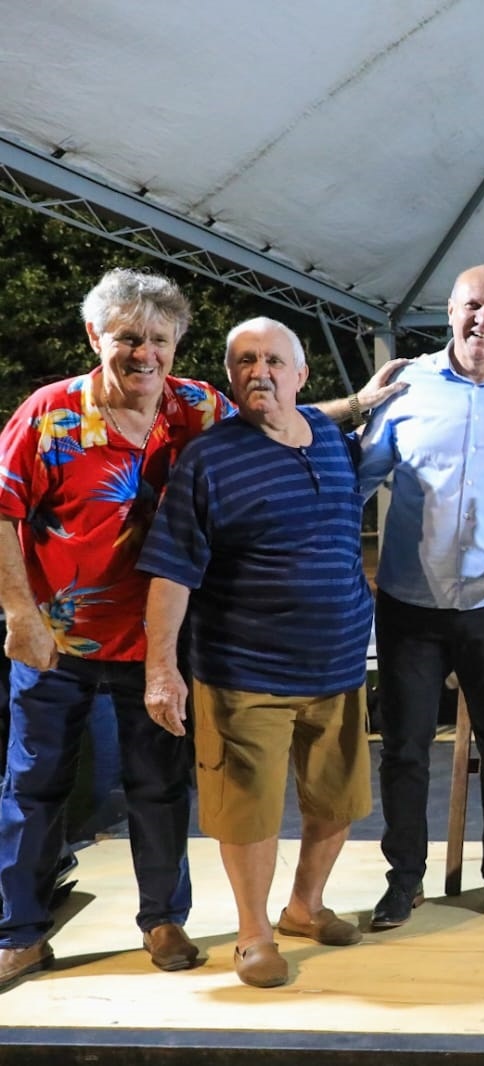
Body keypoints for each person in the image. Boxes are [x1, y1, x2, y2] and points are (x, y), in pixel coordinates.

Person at [0, 268, 229, 991]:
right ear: (95, 336)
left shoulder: (198, 407)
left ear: (176, 344)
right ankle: (19, 934)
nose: (144, 354)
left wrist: (358, 404)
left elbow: (278, 418)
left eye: (159, 339)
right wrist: (19, 613)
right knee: (33, 785)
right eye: (128, 337)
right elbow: (1, 509)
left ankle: (163, 919)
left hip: (158, 643)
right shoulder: (50, 414)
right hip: (55, 640)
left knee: (159, 785)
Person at [140, 318, 372, 987]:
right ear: (230, 375)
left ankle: (305, 907)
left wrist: (366, 400)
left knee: (338, 800)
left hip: (338, 666)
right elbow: (171, 573)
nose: (259, 372)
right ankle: (253, 934)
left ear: (301, 375)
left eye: (273, 360)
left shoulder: (329, 438)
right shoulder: (208, 459)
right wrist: (162, 671)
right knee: (248, 811)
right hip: (246, 673)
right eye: (244, 361)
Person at [358, 264, 484, 928]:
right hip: (409, 605)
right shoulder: (405, 385)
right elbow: (357, 480)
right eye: (473, 305)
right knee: (405, 749)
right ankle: (404, 880)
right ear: (449, 311)